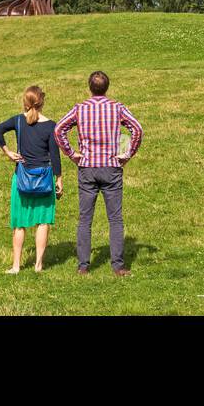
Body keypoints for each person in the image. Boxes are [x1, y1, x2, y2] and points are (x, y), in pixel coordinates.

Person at [54, 70, 143, 276]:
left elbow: (59, 129)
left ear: (90, 87)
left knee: (85, 218)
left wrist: (72, 154)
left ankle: (83, 266)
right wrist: (128, 154)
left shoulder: (80, 109)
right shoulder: (117, 108)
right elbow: (137, 129)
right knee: (115, 219)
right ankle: (118, 265)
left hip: (87, 167)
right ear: (107, 87)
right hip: (111, 167)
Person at [0, 86, 63, 274]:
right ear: (42, 102)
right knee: (43, 222)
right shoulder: (51, 125)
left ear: (25, 102)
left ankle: (16, 266)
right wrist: (59, 179)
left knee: (19, 223)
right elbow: (55, 155)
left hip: (21, 178)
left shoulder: (18, 121)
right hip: (44, 180)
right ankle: (38, 265)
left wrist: (7, 152)